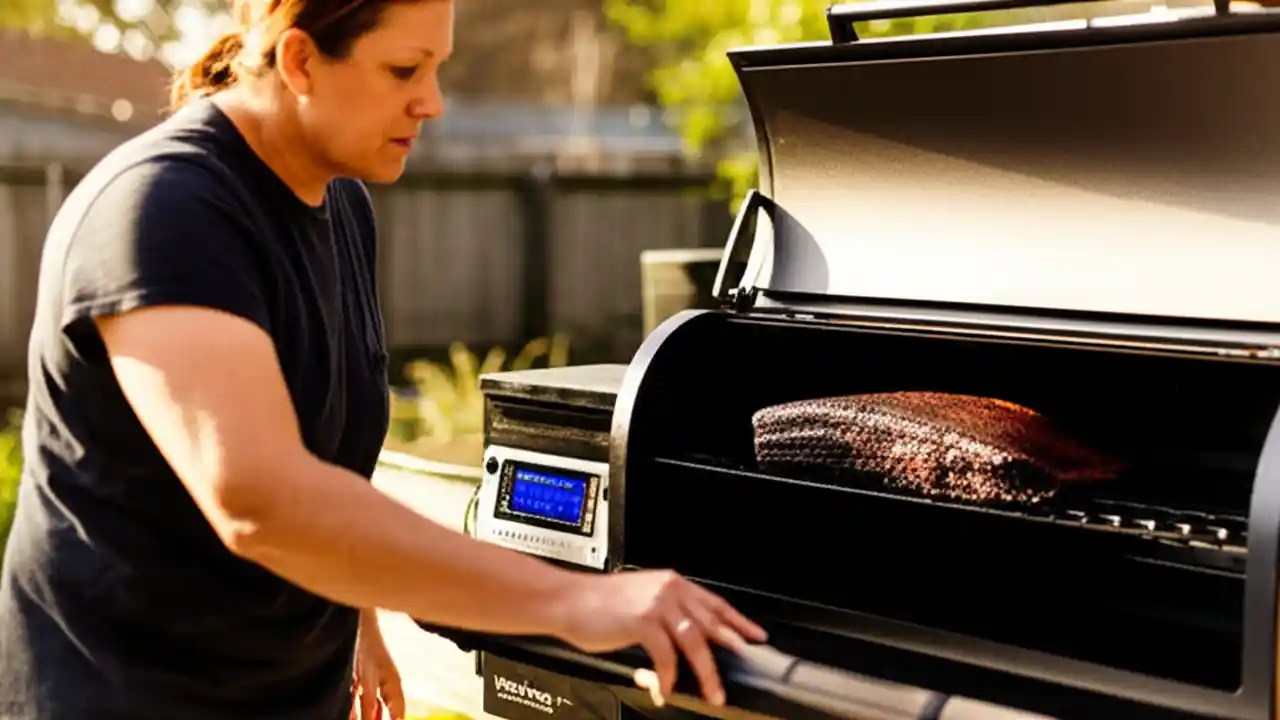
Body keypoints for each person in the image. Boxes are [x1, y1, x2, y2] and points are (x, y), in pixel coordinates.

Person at [0, 0, 767, 718]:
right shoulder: (165, 211)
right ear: (300, 60)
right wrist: (576, 602)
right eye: (404, 71)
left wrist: (358, 614)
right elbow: (259, 498)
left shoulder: (339, 204)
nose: (432, 102)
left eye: (437, 68)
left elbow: (322, 450)